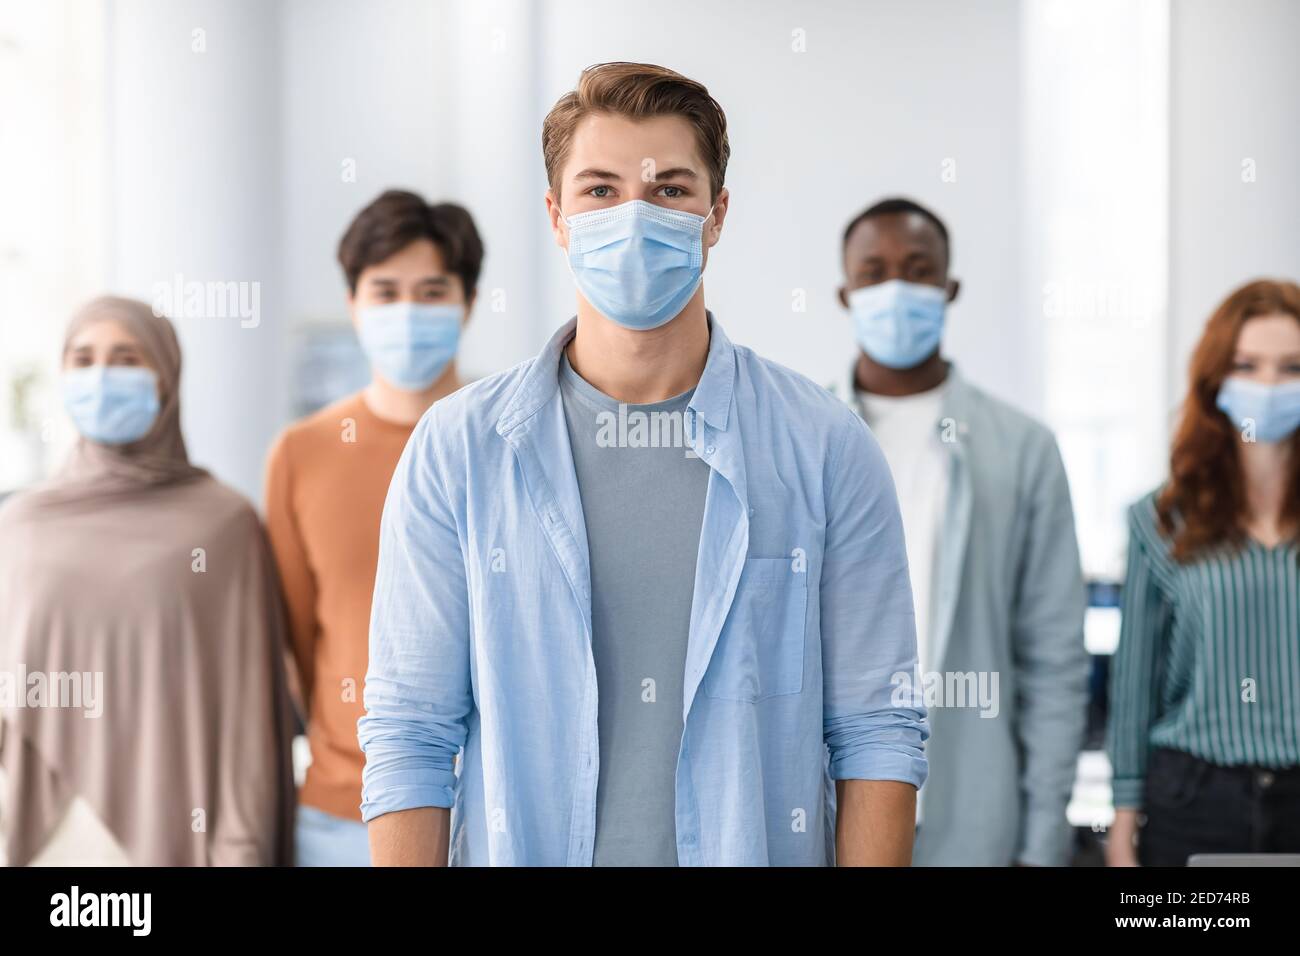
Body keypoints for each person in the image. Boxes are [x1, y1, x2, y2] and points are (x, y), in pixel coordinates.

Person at [358, 61, 928, 867]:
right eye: (599, 190)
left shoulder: (825, 448)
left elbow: (878, 730)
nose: (633, 215)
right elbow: (411, 730)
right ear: (556, 217)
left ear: (716, 214)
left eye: (669, 190)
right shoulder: (458, 453)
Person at [832, 198, 1089, 865]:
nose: (896, 288)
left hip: (974, 814)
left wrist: (1041, 844)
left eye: (918, 271)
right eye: (874, 271)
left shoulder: (1022, 449)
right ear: (844, 293)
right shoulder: (801, 439)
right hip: (828, 808)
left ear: (949, 288)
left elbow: (1054, 661)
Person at [0, 296, 295, 866]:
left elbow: (249, 711)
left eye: (127, 357)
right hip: (42, 832)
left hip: (183, 837)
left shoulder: (224, 525)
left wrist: (242, 846)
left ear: (167, 376)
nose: (102, 375)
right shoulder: (20, 526)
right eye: (82, 359)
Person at [263, 191, 483, 866]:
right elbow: (297, 644)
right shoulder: (304, 453)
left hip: (494, 805)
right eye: (384, 291)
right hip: (342, 815)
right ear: (354, 303)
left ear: (468, 303)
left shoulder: (508, 437)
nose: (408, 312)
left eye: (432, 291)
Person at [1106, 278, 1300, 866]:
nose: (1268, 384)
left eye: (1291, 367)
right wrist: (1122, 820)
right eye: (1247, 365)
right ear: (1216, 379)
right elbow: (1134, 680)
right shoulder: (1161, 518)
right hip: (1194, 802)